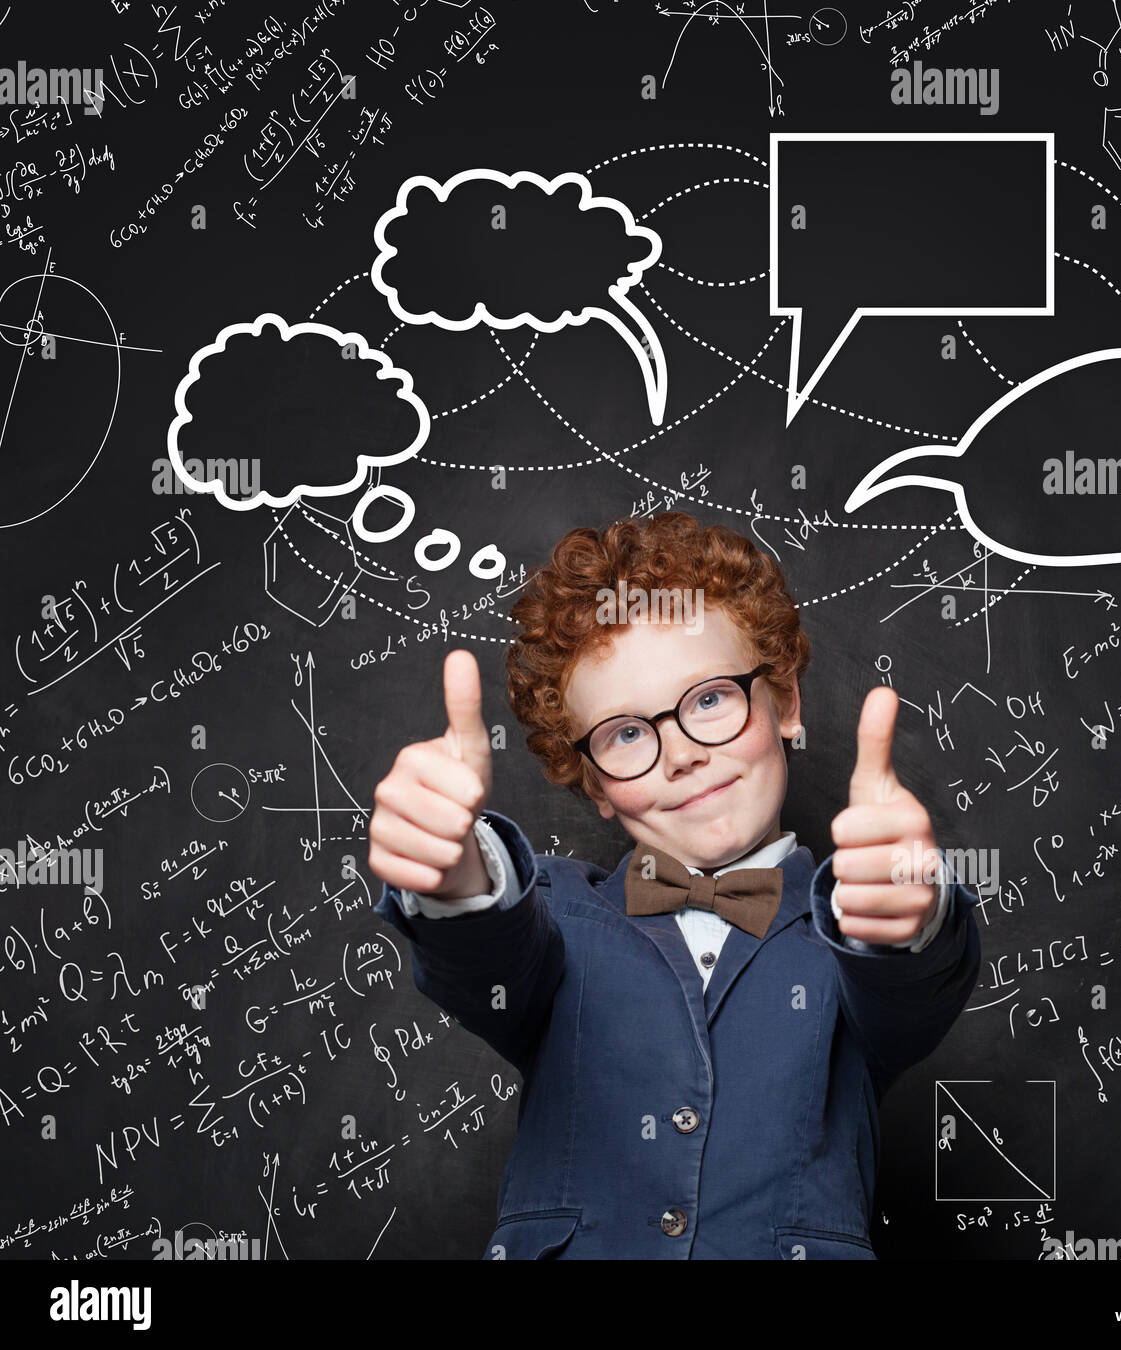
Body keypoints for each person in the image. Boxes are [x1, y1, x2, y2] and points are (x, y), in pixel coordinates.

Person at [370, 510, 980, 1258]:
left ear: (785, 702)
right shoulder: (557, 920)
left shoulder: (850, 932)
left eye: (710, 699)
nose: (681, 754)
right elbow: (487, 954)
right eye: (627, 733)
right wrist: (457, 874)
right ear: (594, 783)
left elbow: (917, 985)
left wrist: (909, 914)